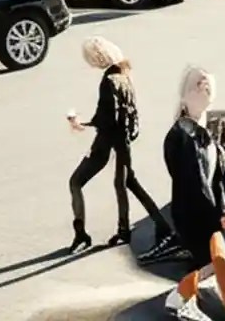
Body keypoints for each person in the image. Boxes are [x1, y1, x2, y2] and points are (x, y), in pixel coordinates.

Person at [66, 36, 175, 255]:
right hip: (122, 143)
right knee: (126, 183)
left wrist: (82, 124)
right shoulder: (124, 76)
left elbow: (108, 117)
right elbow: (125, 114)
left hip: (107, 143)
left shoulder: (109, 81)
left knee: (77, 182)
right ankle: (147, 228)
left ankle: (82, 234)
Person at [163, 66, 225, 321]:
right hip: (192, 214)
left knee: (213, 264)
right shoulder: (181, 135)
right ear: (185, 96)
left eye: (208, 86)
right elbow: (194, 182)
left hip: (206, 211)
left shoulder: (206, 130)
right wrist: (216, 215)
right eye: (198, 86)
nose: (205, 89)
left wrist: (223, 206)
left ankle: (178, 298)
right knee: (220, 262)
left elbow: (215, 177)